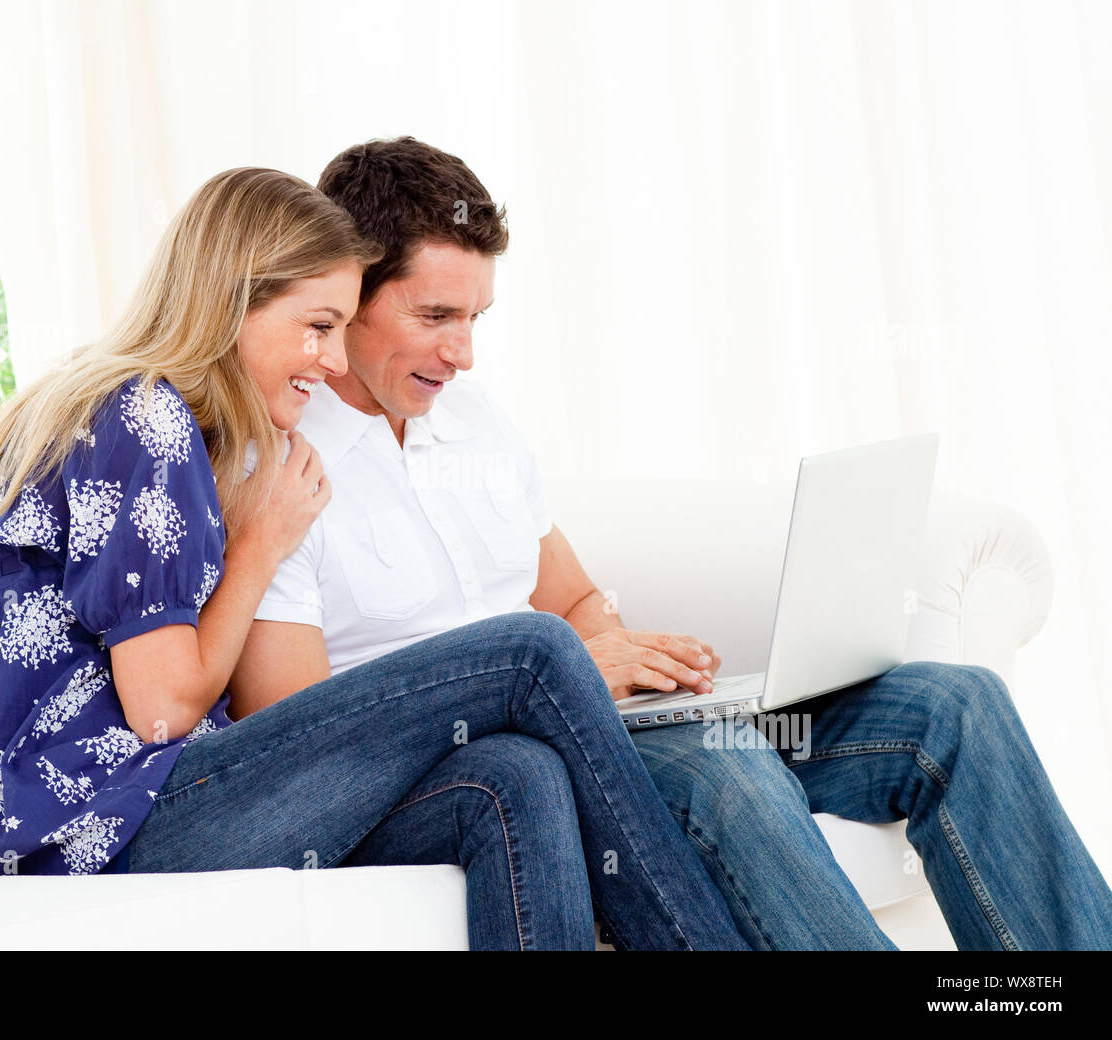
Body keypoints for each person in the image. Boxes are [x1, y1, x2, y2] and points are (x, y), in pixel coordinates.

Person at [233, 137, 1112, 951]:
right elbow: (303, 738)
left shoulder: (473, 425)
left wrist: (624, 650)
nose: (462, 353)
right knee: (717, 771)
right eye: (435, 315)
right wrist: (568, 679)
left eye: (477, 318)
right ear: (347, 298)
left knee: (952, 704)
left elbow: (571, 599)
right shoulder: (278, 467)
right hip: (490, 758)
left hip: (601, 719)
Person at [0, 166, 748, 951]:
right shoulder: (144, 417)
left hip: (165, 806)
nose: (336, 362)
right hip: (108, 833)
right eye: (318, 326)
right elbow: (164, 709)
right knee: (533, 649)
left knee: (514, 775)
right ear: (232, 303)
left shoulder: (188, 430)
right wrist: (263, 544)